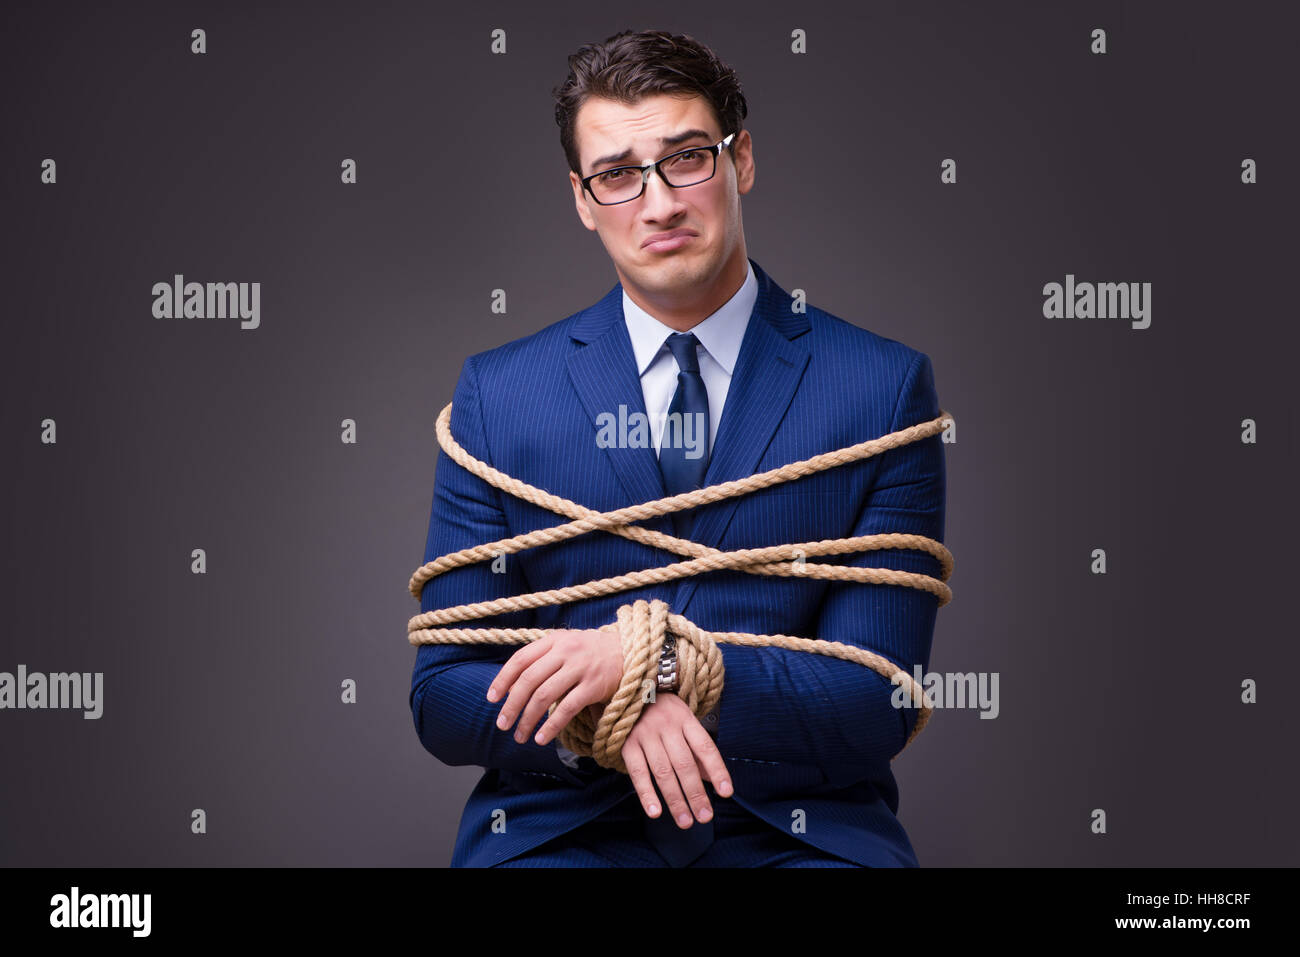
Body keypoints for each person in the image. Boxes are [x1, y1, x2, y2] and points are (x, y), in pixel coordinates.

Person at [409, 28, 947, 867]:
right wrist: (615, 711)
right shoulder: (498, 396)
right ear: (583, 200)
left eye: (687, 158)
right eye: (618, 175)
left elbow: (877, 694)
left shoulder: (880, 390)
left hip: (798, 836)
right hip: (565, 832)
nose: (659, 203)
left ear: (743, 162)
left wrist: (669, 666)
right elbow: (442, 695)